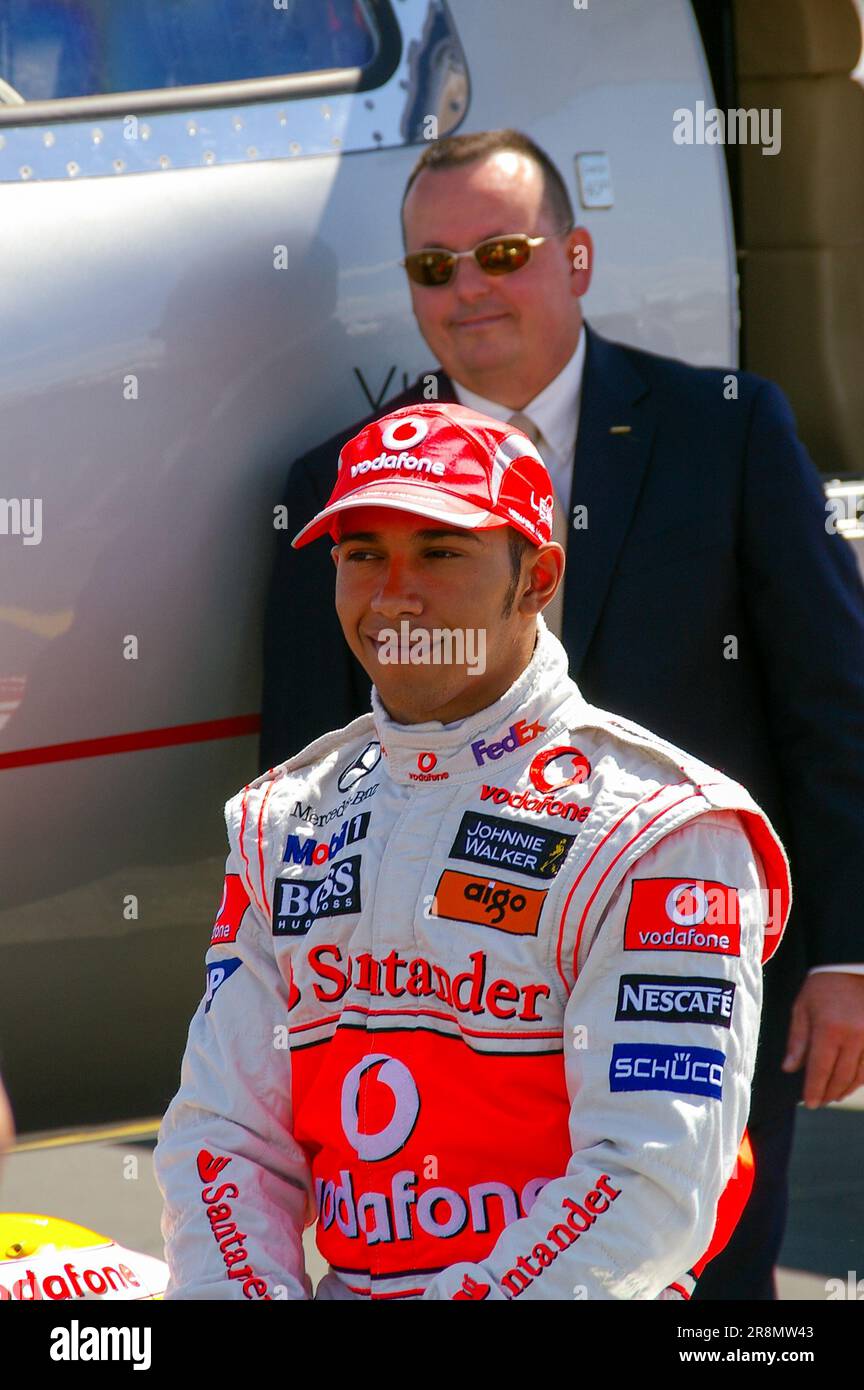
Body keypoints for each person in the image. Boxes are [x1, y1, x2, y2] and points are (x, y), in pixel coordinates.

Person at [260, 130, 864, 1299]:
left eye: (500, 251)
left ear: (577, 258)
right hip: (440, 1021)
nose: (468, 289)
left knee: (706, 1282)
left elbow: (833, 706)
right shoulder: (333, 486)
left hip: (688, 980)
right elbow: (304, 768)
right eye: (434, 268)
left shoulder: (727, 430)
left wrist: (848, 951)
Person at [156, 401, 791, 1300]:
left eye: (441, 551)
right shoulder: (283, 819)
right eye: (363, 553)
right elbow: (225, 1139)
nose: (394, 593)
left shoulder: (663, 828)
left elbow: (652, 1181)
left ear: (537, 578)